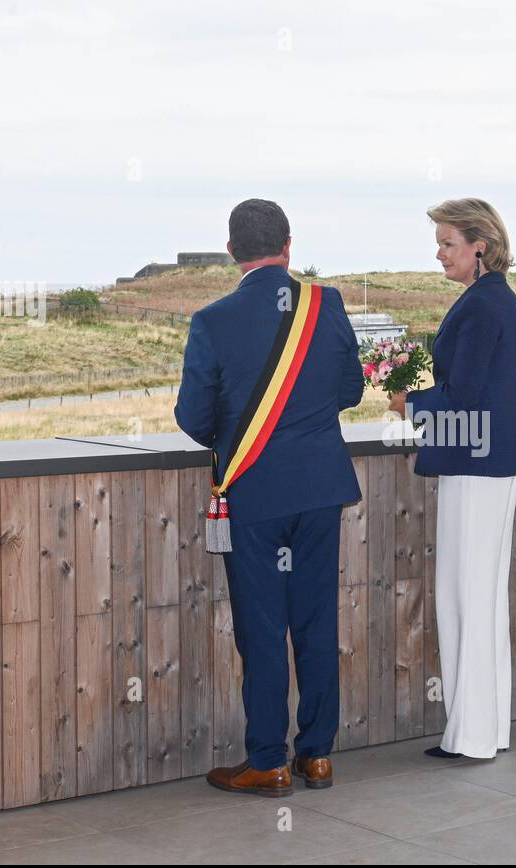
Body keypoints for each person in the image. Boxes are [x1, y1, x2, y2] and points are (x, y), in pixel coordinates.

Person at [174, 199, 364, 796]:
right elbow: (352, 389)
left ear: (232, 252)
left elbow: (191, 416)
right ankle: (317, 756)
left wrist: (238, 437)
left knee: (260, 629)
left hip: (252, 494)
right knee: (315, 622)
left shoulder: (211, 320)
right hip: (320, 488)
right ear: (289, 245)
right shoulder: (325, 304)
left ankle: (266, 760)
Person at [389, 198, 516, 759]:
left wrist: (407, 404)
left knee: (464, 599)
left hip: (474, 464)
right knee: (482, 599)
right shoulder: (494, 300)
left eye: (448, 242)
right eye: (439, 242)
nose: (439, 252)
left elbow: (463, 398)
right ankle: (485, 730)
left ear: (481, 247)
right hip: (491, 463)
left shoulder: (482, 305)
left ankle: (472, 737)